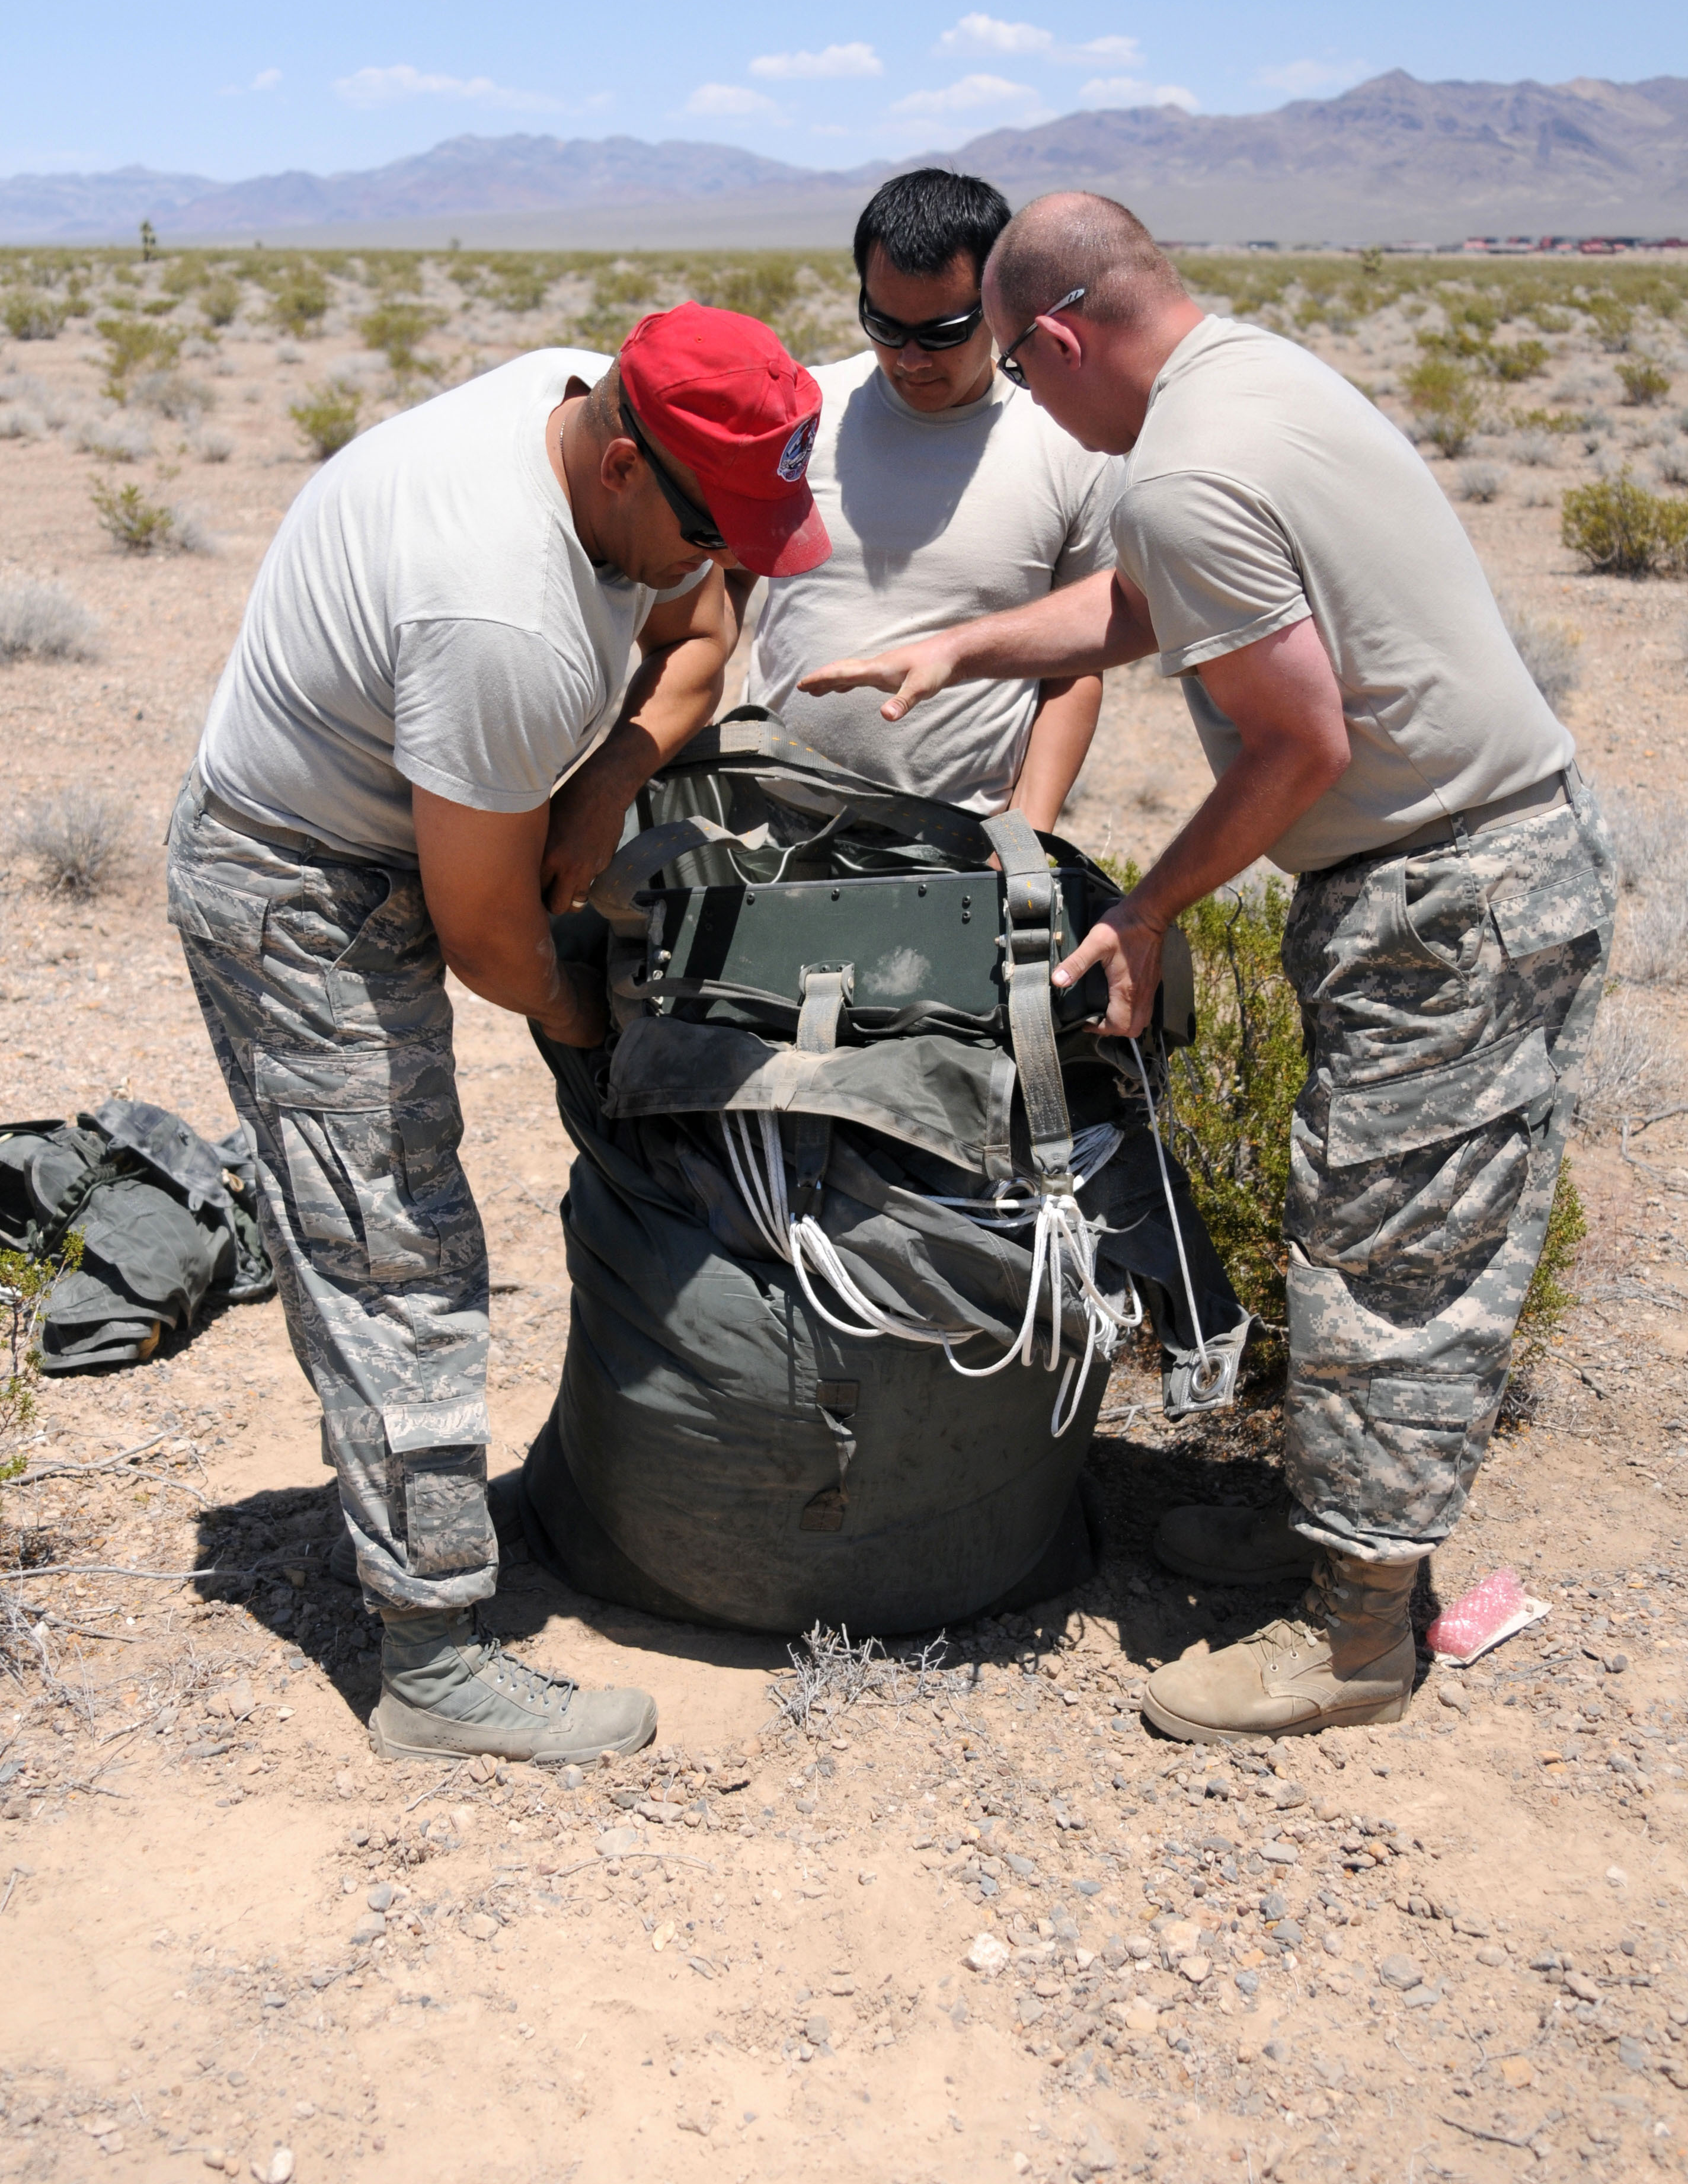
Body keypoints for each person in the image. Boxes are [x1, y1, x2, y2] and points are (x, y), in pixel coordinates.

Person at [801, 191, 1614, 1744]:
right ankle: (1339, 1536)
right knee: (1368, 1221)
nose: (1028, 403)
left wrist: (1152, 906)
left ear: (1053, 337)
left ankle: (1357, 1636)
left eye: (1015, 369)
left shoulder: (1181, 466)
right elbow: (1150, 599)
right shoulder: (1248, 376)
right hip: (1470, 870)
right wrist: (964, 648)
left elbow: (1302, 741)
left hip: (1450, 895)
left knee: (1387, 1257)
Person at [167, 306, 828, 1764]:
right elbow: (484, 937)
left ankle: (449, 1516)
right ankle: (433, 1657)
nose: (719, 558)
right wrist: (587, 1024)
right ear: (620, 467)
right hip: (301, 888)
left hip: (409, 829)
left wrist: (608, 776)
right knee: (393, 1243)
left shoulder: (587, 410)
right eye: (709, 527)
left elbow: (700, 634)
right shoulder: (500, 612)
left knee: (402, 1223)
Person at [740, 166, 1115, 826]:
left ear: (1001, 303)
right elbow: (720, 585)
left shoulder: (1069, 443)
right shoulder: (804, 412)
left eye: (942, 333)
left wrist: (1026, 831)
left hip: (955, 839)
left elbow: (1078, 664)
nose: (910, 359)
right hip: (767, 815)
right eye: (884, 326)